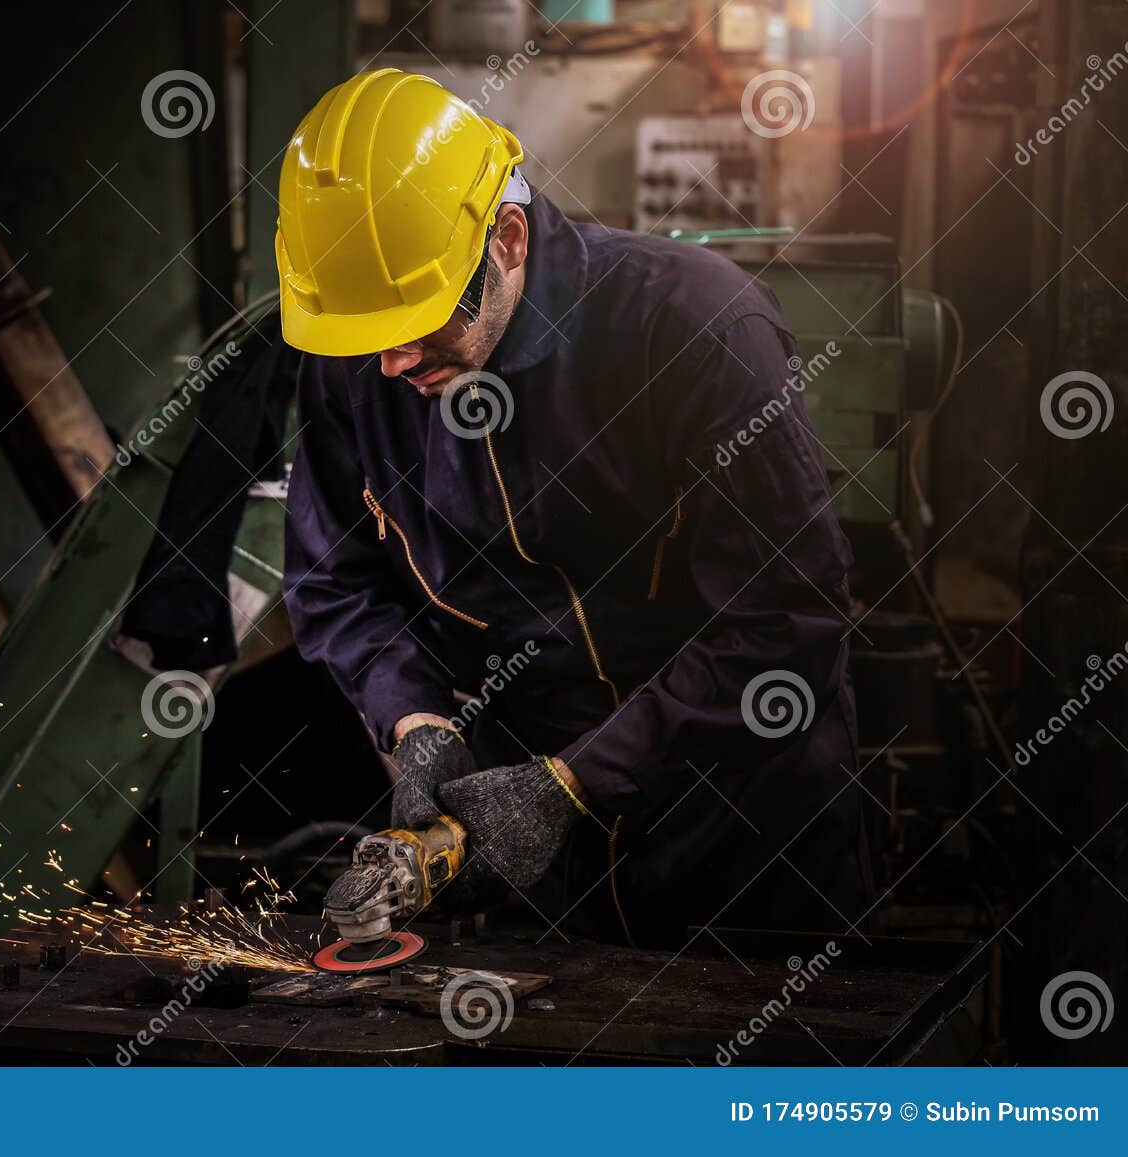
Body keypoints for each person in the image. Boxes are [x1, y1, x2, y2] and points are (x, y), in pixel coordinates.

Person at [277, 68, 872, 946]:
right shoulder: (362, 354)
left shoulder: (694, 330)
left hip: (746, 850)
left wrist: (578, 781)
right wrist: (417, 722)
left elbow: (788, 620)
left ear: (508, 239)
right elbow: (336, 582)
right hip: (543, 877)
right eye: (369, 338)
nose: (393, 364)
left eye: (419, 323)